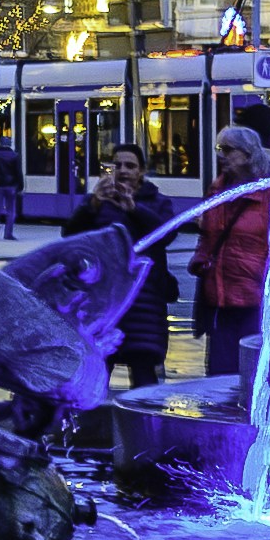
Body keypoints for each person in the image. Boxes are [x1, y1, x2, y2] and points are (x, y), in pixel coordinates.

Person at [198, 125, 270, 370]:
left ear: (248, 153)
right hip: (220, 301)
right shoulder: (217, 190)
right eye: (219, 148)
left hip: (256, 302)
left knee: (254, 373)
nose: (221, 155)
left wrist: (269, 276)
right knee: (221, 376)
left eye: (228, 149)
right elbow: (209, 237)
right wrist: (202, 258)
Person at [90, 143, 178, 386]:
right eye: (117, 165)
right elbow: (72, 235)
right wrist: (93, 206)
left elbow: (167, 234)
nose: (123, 171)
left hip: (144, 303)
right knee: (97, 374)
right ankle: (92, 424)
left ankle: (144, 424)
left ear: (142, 171)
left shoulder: (158, 202)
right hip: (107, 301)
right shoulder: (101, 202)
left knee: (143, 375)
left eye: (130, 166)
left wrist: (135, 208)